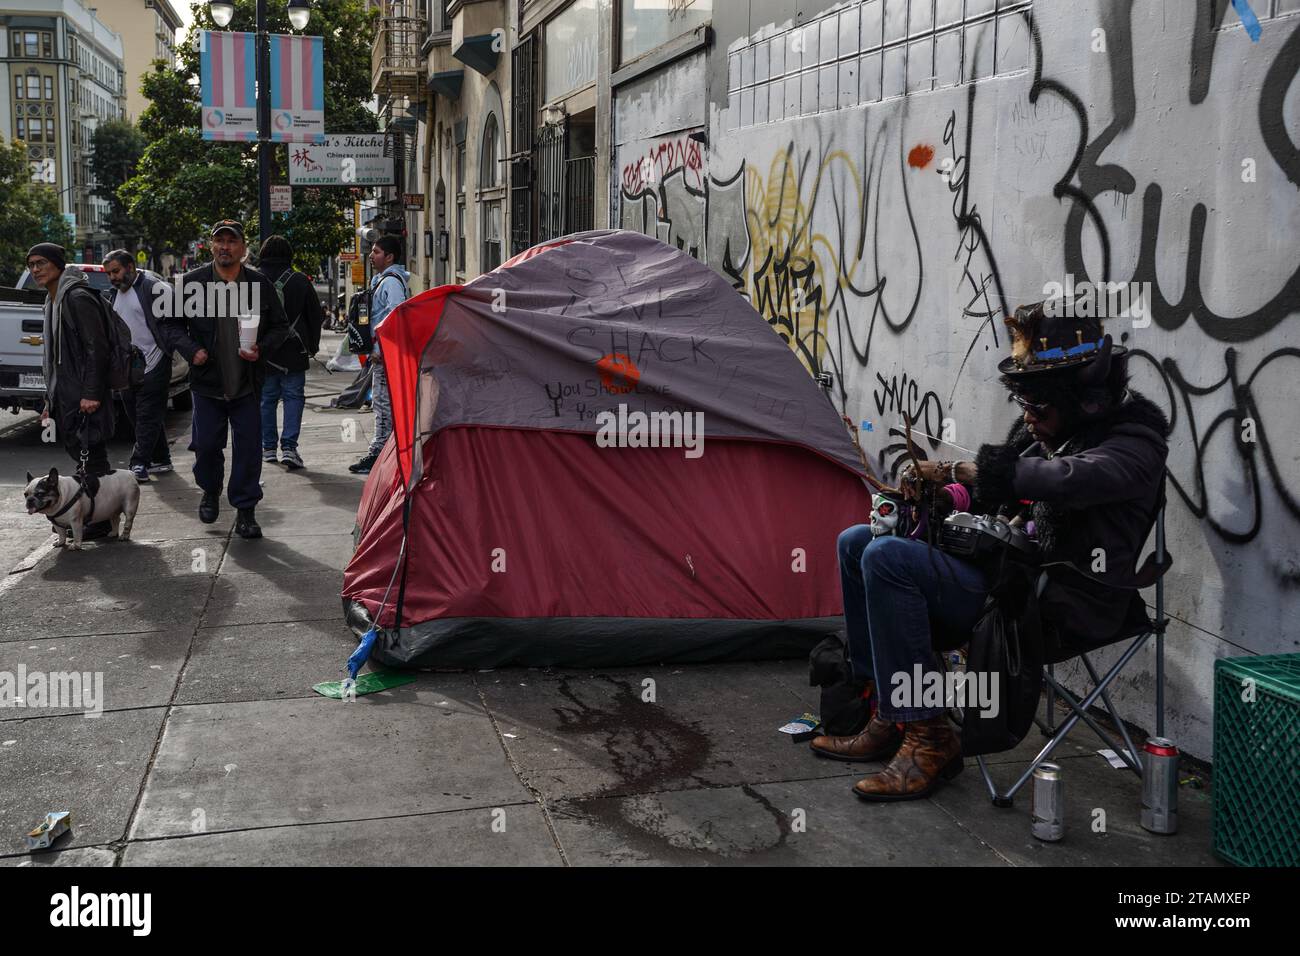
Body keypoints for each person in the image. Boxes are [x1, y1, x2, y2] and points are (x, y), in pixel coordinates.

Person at [811, 302, 1168, 801]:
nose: (1028, 415)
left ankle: (928, 737)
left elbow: (1069, 478)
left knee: (886, 560)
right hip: (1011, 579)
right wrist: (943, 494)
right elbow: (994, 492)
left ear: (1085, 400)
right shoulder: (1042, 431)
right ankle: (890, 712)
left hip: (1064, 598)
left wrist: (963, 471)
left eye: (1038, 406)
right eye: (1023, 402)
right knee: (857, 542)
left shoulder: (1135, 443)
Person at [159, 220, 289, 539]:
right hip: (207, 384)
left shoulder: (258, 284)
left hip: (247, 384)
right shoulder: (193, 283)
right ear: (211, 245)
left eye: (232, 241)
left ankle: (245, 510)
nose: (225, 247)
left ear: (243, 248)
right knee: (206, 447)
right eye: (220, 241)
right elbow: (170, 325)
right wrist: (193, 351)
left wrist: (261, 348)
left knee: (248, 449)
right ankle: (210, 489)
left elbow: (280, 326)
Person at [27, 243, 117, 538]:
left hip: (83, 393)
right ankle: (94, 517)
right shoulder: (53, 300)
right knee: (79, 452)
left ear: (58, 264)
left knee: (93, 458)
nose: (36, 270)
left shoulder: (76, 297)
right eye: (31, 265)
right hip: (66, 392)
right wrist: (49, 400)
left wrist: (91, 391)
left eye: (41, 263)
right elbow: (54, 358)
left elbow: (97, 347)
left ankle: (100, 521)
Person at [254, 235, 325, 470]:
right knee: (293, 397)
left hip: (262, 352)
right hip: (294, 352)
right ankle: (289, 448)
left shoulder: (253, 279)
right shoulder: (299, 281)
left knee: (267, 400)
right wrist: (312, 346)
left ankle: (267, 448)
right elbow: (315, 316)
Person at [103, 250, 174, 482]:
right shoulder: (115, 294)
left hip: (154, 363)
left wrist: (170, 351)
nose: (112, 277)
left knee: (146, 415)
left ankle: (139, 463)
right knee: (138, 415)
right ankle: (161, 458)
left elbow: (174, 324)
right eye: (109, 273)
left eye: (116, 271)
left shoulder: (153, 288)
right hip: (127, 368)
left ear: (130, 266)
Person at [348, 235, 409, 474]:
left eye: (376, 252)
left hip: (384, 355)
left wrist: (382, 350)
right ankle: (385, 452)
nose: (371, 256)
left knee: (382, 405)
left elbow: (396, 317)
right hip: (381, 353)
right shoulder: (384, 281)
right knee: (382, 404)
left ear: (390, 256)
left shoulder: (391, 283)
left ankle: (378, 454)